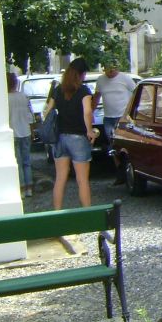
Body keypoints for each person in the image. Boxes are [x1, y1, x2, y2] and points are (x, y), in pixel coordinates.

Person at [42, 57, 95, 210]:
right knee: (82, 180)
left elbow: (47, 111)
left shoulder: (58, 90)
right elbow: (87, 112)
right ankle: (87, 212)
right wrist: (90, 130)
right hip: (78, 137)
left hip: (60, 137)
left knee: (60, 178)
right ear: (82, 74)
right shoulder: (84, 91)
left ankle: (57, 212)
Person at [92, 60, 136, 184]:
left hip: (122, 117)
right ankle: (120, 172)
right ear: (104, 68)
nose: (111, 71)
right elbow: (96, 97)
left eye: (113, 68)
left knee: (125, 145)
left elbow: (136, 93)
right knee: (113, 146)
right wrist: (90, 112)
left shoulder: (125, 79)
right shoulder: (101, 80)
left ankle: (129, 171)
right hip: (109, 118)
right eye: (108, 68)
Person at [7, 72, 34, 198]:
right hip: (26, 131)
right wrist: (32, 130)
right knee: (27, 161)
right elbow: (30, 115)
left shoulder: (5, 99)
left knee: (17, 162)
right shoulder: (24, 96)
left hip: (13, 133)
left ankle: (22, 188)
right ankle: (29, 187)